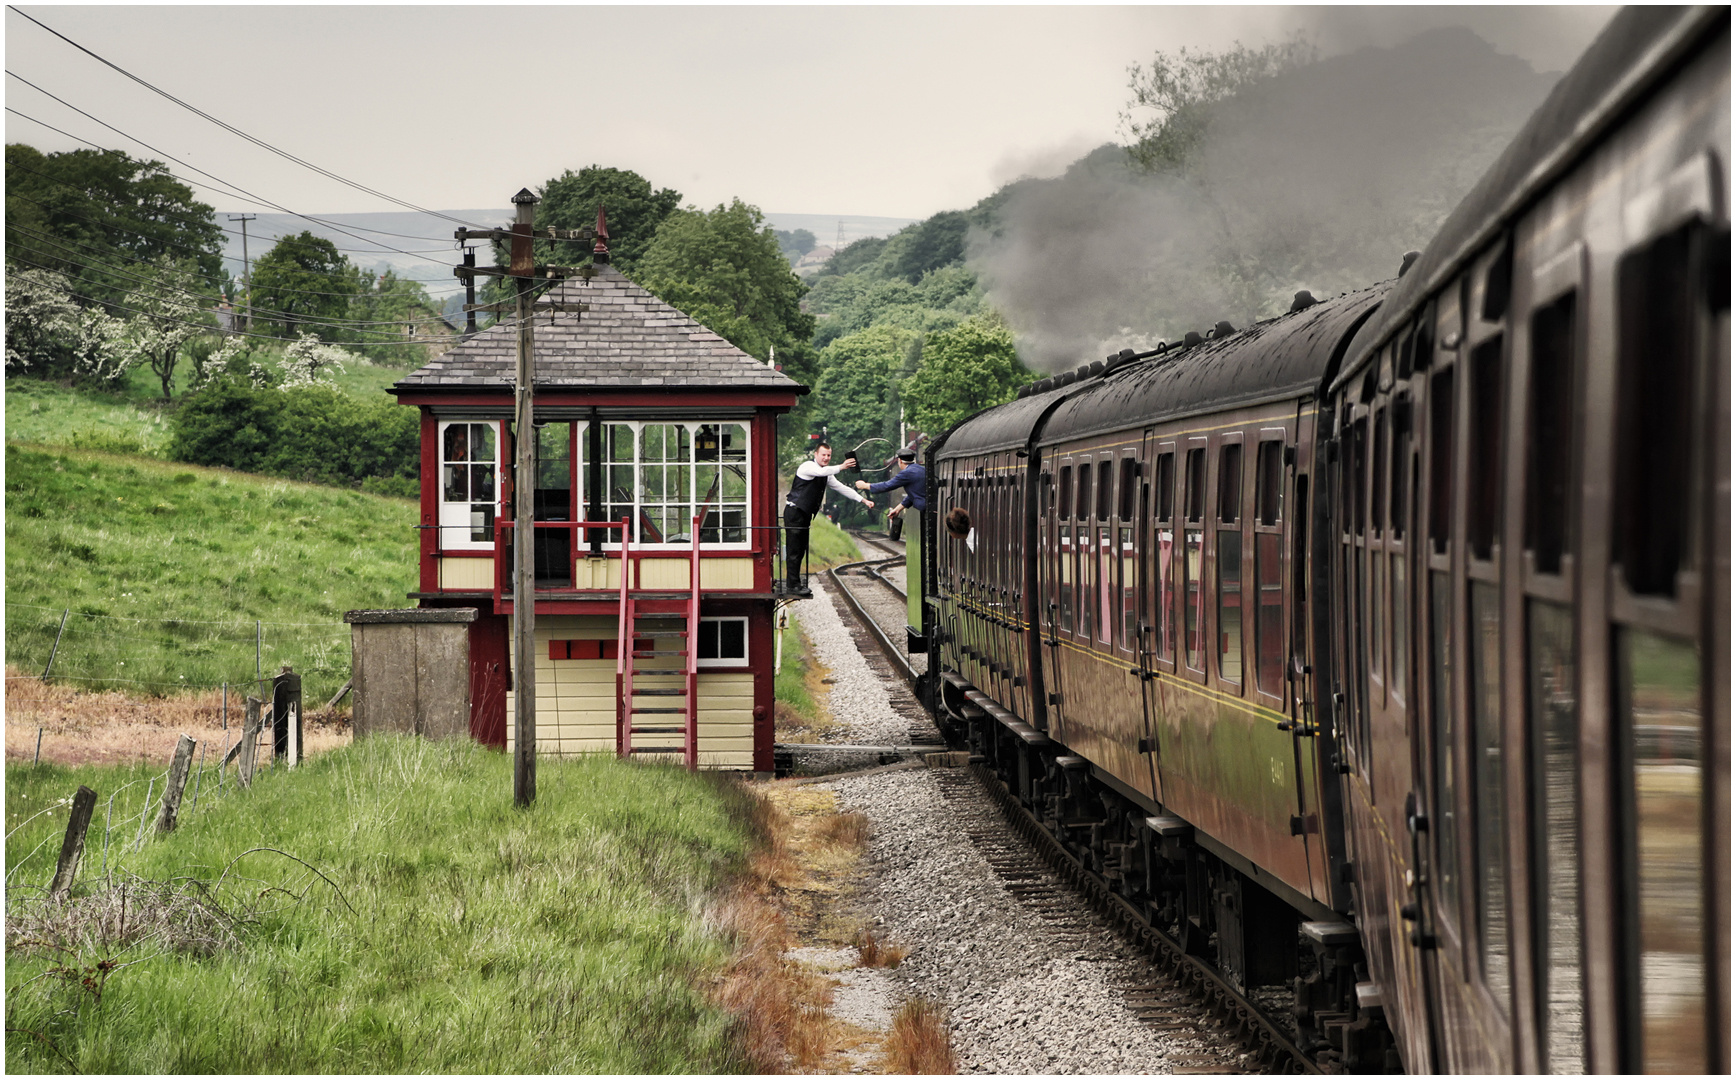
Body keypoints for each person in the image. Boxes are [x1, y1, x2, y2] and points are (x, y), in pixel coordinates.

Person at [783, 442, 871, 593]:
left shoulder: (826, 473)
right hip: (794, 512)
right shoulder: (807, 467)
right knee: (794, 550)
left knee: (801, 549)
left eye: (828, 455)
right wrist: (842, 466)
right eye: (823, 455)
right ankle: (792, 585)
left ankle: (795, 583)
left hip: (804, 514)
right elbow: (822, 472)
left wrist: (862, 500)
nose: (826, 458)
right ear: (815, 455)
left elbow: (841, 487)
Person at [858, 448, 927, 627]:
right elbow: (915, 492)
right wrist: (899, 507)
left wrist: (865, 486)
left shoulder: (907, 473)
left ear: (899, 461)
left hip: (927, 514)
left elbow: (886, 486)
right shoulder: (920, 470)